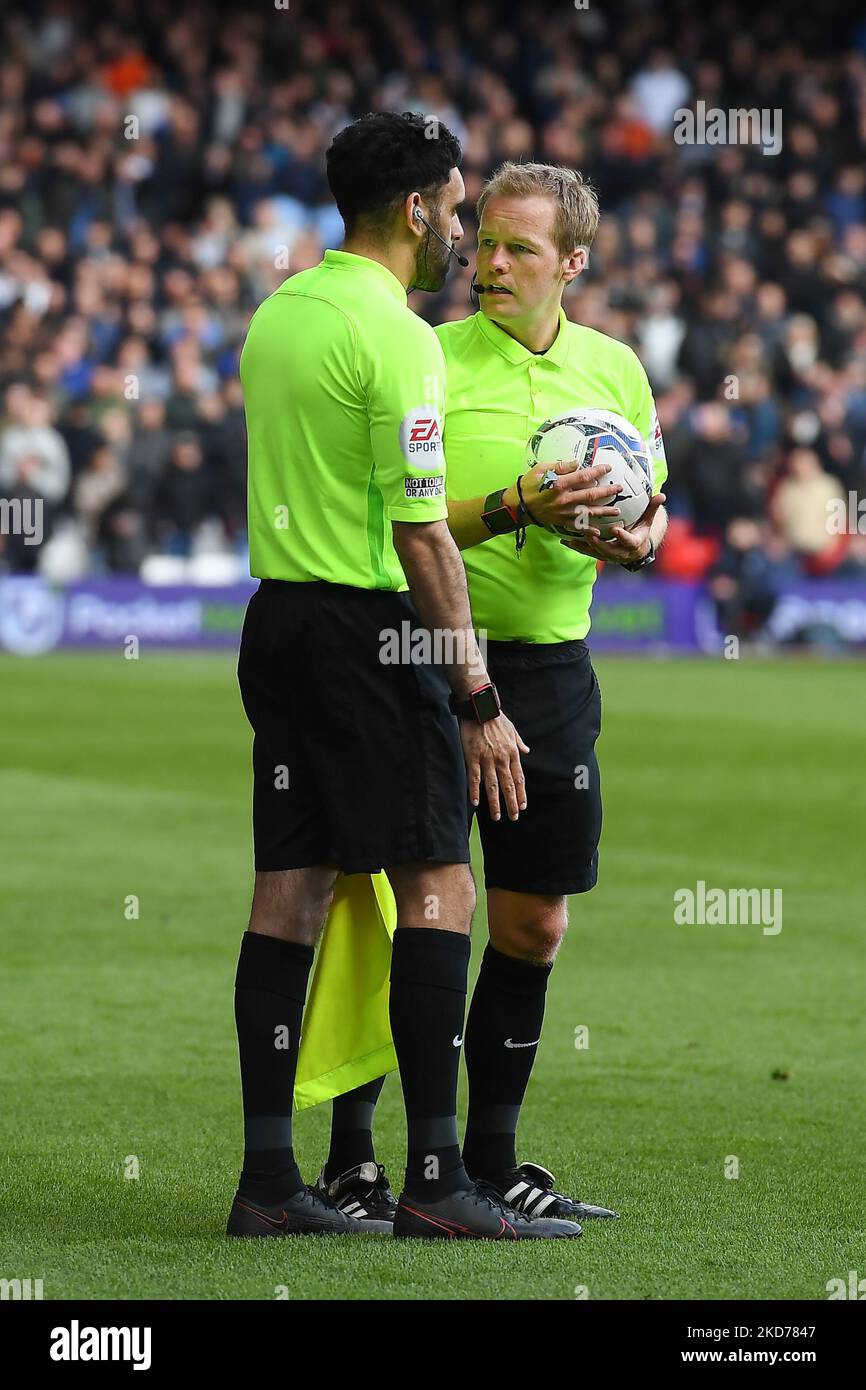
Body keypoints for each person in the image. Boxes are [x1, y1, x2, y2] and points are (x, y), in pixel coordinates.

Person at [228, 115, 581, 1241]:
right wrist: (475, 696)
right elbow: (423, 537)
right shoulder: (398, 336)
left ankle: (270, 1181)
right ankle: (437, 1178)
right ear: (418, 206)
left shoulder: (278, 314)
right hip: (368, 632)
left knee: (289, 891)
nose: (465, 233)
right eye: (458, 207)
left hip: (275, 625)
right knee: (442, 887)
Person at [320, 161, 668, 1226]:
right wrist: (517, 504)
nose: (488, 262)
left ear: (572, 261)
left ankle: (490, 1161)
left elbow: (654, 517)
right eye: (483, 242)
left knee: (531, 925)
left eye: (519, 247)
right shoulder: (423, 354)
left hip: (553, 667)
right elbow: (402, 519)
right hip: (425, 662)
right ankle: (353, 1161)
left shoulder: (615, 371)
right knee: (407, 912)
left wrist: (629, 537)